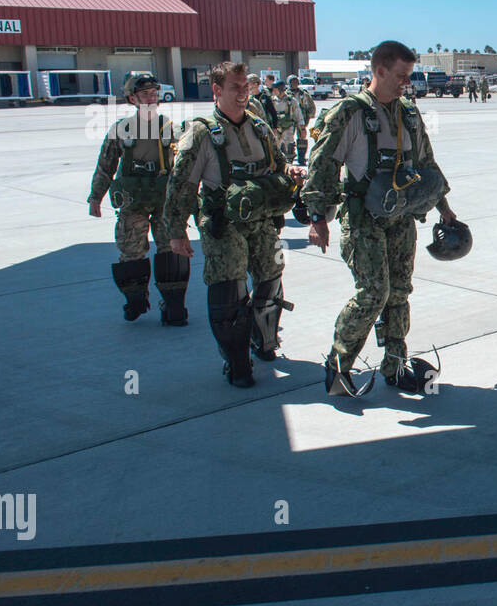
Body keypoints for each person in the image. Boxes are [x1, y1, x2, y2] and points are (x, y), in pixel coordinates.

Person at [303, 41, 458, 396]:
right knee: (373, 293)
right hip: (363, 221)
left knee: (399, 294)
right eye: (401, 76)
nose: (407, 84)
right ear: (380, 71)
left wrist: (443, 207)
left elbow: (426, 165)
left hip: (401, 219)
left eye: (409, 77)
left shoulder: (410, 114)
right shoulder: (350, 113)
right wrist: (318, 216)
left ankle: (396, 366)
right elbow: (323, 164)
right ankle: (339, 365)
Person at [163, 62, 307, 387]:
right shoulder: (200, 132)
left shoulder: (258, 126)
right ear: (216, 89)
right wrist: (175, 232)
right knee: (229, 293)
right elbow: (181, 185)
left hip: (261, 219)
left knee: (270, 281)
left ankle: (264, 339)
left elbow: (279, 162)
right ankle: (237, 360)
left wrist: (291, 172)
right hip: (222, 223)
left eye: (245, 87)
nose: (243, 93)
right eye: (235, 87)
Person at [88, 73, 189, 325]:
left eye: (154, 94)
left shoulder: (170, 128)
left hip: (164, 202)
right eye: (145, 95)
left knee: (171, 253)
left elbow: (189, 163)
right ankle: (135, 300)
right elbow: (105, 166)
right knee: (131, 252)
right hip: (133, 203)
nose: (151, 99)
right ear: (132, 98)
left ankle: (174, 304)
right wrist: (95, 198)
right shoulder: (121, 130)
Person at [288, 75, 315, 165]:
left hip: (301, 119)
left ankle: (301, 158)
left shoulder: (303, 94)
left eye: (296, 82)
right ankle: (289, 158)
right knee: (289, 139)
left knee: (302, 138)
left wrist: (309, 116)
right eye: (292, 82)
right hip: (289, 120)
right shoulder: (286, 94)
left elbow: (311, 106)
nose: (294, 84)